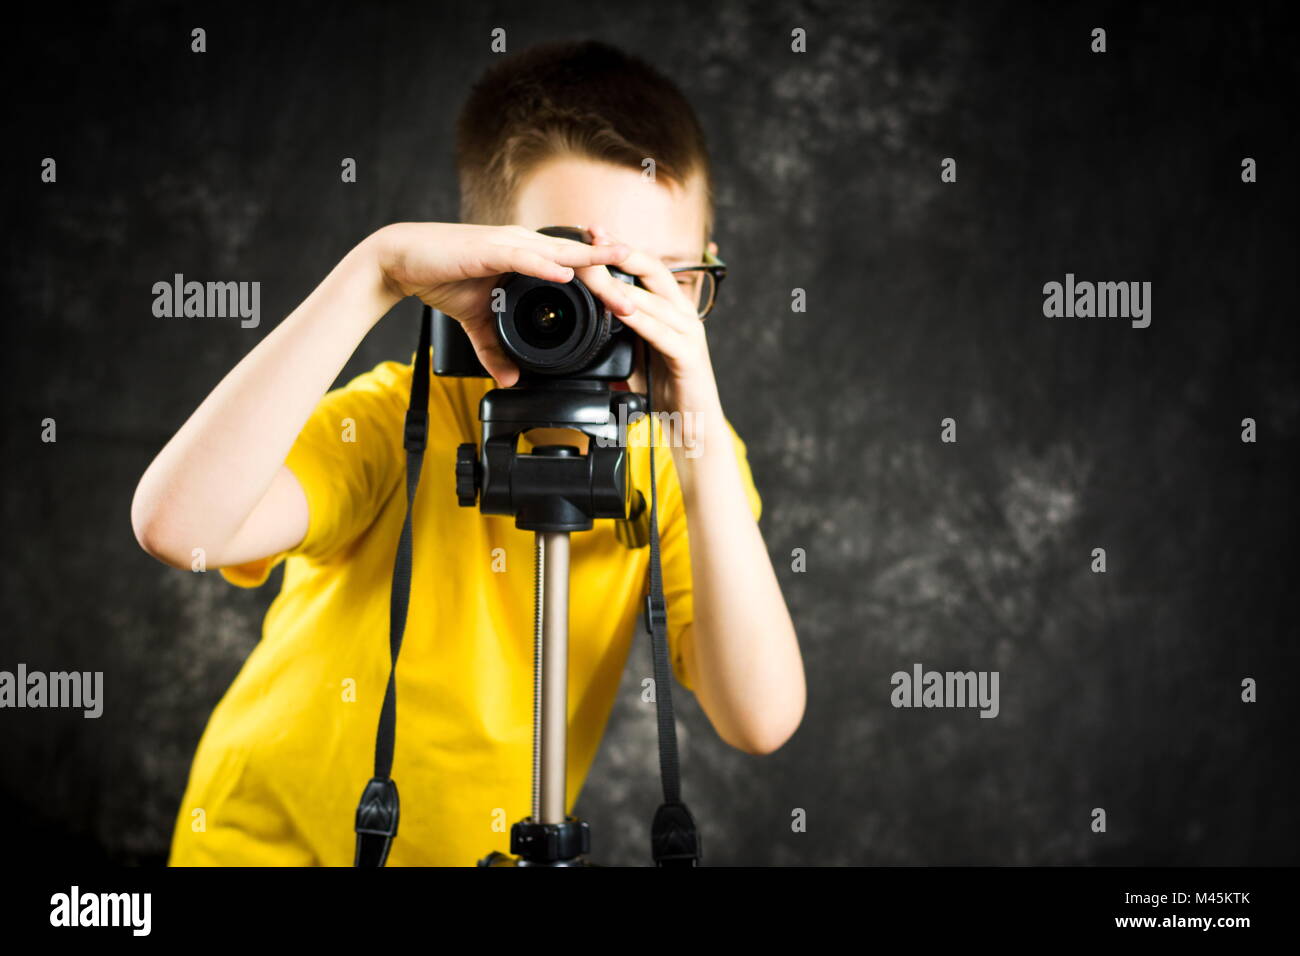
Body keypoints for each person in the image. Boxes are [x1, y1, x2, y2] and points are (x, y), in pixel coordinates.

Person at [132, 40, 805, 866]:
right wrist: (375, 272)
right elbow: (178, 527)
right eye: (579, 274)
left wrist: (694, 435)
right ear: (491, 264)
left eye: (662, 281)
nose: (619, 318)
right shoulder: (398, 417)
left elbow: (761, 717)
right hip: (269, 845)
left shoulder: (681, 453)